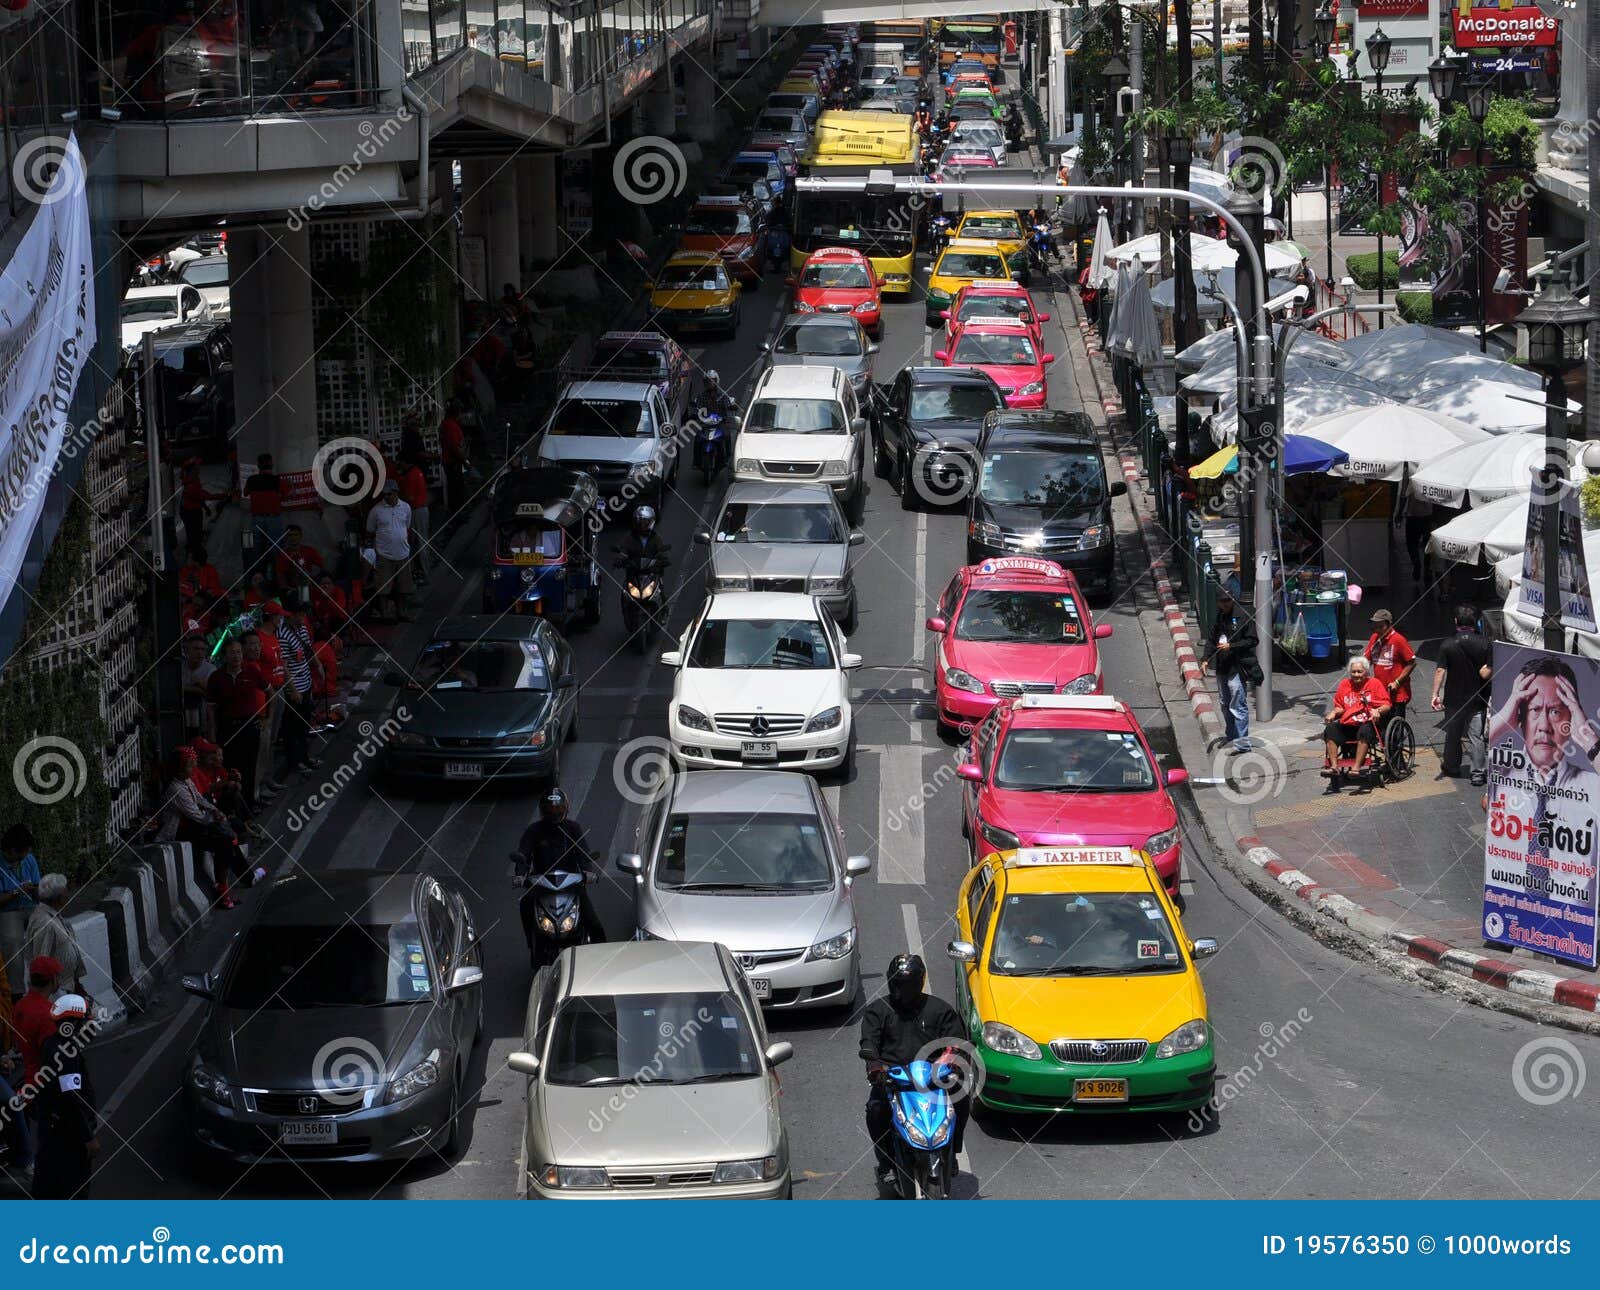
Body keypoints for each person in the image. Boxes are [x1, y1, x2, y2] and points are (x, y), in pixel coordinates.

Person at [858, 953, 965, 1189]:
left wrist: (951, 1059)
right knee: (876, 1111)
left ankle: (952, 1151)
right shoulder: (878, 1010)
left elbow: (956, 1041)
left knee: (962, 1098)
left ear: (919, 983)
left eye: (906, 984)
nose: (901, 990)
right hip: (893, 1079)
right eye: (897, 983)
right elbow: (869, 1042)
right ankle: (886, 1163)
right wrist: (875, 1066)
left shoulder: (940, 1009)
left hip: (933, 1078)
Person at [514, 787, 605, 952]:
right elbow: (523, 855)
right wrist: (520, 875)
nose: (554, 813)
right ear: (543, 811)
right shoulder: (534, 830)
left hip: (571, 884)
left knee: (594, 922)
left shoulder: (573, 828)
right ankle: (531, 943)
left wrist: (588, 873)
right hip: (541, 884)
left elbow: (583, 854)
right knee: (525, 904)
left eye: (558, 809)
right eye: (550, 810)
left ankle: (602, 954)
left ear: (566, 809)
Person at [30, 994, 97, 1200]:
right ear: (75, 1024)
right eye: (86, 1019)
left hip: (52, 1132)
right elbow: (71, 1099)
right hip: (68, 1137)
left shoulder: (52, 1044)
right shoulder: (67, 1055)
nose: (92, 1022)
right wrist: (88, 1138)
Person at [162, 749, 248, 909]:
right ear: (180, 768)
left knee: (226, 840)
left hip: (195, 827)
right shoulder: (176, 789)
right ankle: (224, 891)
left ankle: (225, 888)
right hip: (181, 832)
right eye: (190, 767)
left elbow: (200, 799)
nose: (193, 770)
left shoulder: (186, 782)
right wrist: (217, 818)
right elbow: (195, 814)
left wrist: (215, 811)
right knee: (224, 841)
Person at [206, 638, 272, 813]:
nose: (236, 656)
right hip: (227, 728)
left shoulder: (251, 671)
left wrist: (266, 717)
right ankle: (231, 807)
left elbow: (269, 691)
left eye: (238, 652)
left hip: (249, 726)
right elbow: (211, 708)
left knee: (249, 768)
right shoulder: (216, 677)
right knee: (229, 768)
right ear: (225, 656)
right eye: (232, 653)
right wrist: (212, 733)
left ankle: (249, 806)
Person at [1432, 604, 1493, 784]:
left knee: (1453, 734)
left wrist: (1435, 694)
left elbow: (1440, 671)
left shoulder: (1448, 644)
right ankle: (1477, 773)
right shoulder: (1485, 644)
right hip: (1478, 698)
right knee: (1476, 736)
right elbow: (1487, 672)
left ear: (1456, 621)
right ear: (1475, 622)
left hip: (1453, 699)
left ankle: (1451, 766)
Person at [268, 602, 323, 777]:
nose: (301, 618)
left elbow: (308, 650)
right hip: (294, 688)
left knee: (305, 724)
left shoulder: (303, 629)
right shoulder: (282, 635)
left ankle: (305, 757)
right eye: (298, 615)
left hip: (306, 682)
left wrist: (318, 665)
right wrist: (293, 689)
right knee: (293, 728)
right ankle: (295, 761)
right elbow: (284, 665)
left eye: (303, 615)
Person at [1202, 589, 1260, 754]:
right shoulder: (1220, 617)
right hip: (1222, 667)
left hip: (1236, 666)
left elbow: (1252, 640)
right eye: (1222, 601)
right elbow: (1212, 640)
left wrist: (1232, 646)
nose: (1225, 604)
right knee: (1224, 704)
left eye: (1227, 601)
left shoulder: (1243, 616)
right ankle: (1231, 736)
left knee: (1238, 705)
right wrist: (1205, 659)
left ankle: (1242, 743)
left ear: (1232, 600)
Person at [1322, 656, 1392, 780]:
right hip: (1349, 723)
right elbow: (1340, 707)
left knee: (1365, 731)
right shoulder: (1344, 684)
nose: (1356, 674)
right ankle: (1334, 767)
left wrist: (1377, 710)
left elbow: (1386, 705)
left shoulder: (1374, 683)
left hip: (1368, 722)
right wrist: (1333, 713)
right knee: (1330, 729)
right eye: (1353, 672)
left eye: (1359, 671)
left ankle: (1356, 768)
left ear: (1366, 672)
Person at [21, 877, 83, 998]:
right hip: (55, 992)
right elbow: (41, 964)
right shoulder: (44, 922)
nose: (68, 897)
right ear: (58, 898)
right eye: (66, 894)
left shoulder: (55, 916)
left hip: (65, 986)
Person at [0, 827, 41, 997]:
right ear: (11, 851)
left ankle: (55, 981)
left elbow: (39, 888)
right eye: (24, 851)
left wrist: (37, 890)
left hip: (30, 906)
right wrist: (17, 891)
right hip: (9, 911)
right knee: (13, 942)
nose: (27, 855)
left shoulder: (29, 860)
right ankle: (17, 992)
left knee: (52, 927)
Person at [366, 479, 414, 622]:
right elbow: (370, 531)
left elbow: (407, 527)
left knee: (403, 587)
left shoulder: (406, 508)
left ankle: (402, 612)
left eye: (389, 494)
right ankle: (385, 613)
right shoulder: (376, 511)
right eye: (385, 494)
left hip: (402, 553)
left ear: (396, 493)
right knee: (383, 587)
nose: (386, 497)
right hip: (384, 555)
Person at [10, 958, 58, 1091]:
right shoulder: (49, 1013)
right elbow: (55, 1056)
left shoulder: (20, 1005)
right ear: (53, 979)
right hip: (46, 1084)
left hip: (29, 1079)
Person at [1363, 609, 1417, 722]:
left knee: (1396, 725)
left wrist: (1397, 682)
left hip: (1396, 692)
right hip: (1380, 691)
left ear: (1388, 625)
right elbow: (1366, 660)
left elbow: (1411, 662)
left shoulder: (1398, 640)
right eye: (1375, 626)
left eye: (1380, 626)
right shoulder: (1374, 638)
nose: (1377, 630)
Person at [244, 452, 285, 572]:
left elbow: (245, 493)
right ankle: (274, 574)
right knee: (275, 549)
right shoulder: (278, 480)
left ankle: (258, 574)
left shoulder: (251, 480)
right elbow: (288, 493)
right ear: (271, 464)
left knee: (256, 549)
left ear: (258, 465)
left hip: (257, 519)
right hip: (273, 519)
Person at [398, 453, 432, 582]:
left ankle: (424, 573)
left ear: (404, 462)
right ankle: (421, 572)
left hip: (417, 511)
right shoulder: (416, 472)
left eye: (400, 462)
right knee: (418, 542)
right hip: (420, 510)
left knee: (419, 543)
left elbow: (410, 497)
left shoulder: (411, 475)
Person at [272, 524, 324, 603]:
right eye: (290, 535)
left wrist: (313, 578)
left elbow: (321, 567)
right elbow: (280, 575)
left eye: (296, 534)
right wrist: (287, 588)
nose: (293, 538)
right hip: (293, 590)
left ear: (301, 536)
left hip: (310, 587)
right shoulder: (283, 555)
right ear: (286, 537)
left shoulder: (309, 551)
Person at [439, 401, 469, 532]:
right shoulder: (450, 426)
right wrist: (464, 461)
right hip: (453, 462)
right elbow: (455, 447)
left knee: (455, 490)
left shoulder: (447, 424)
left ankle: (457, 515)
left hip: (452, 461)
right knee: (457, 490)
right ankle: (457, 517)